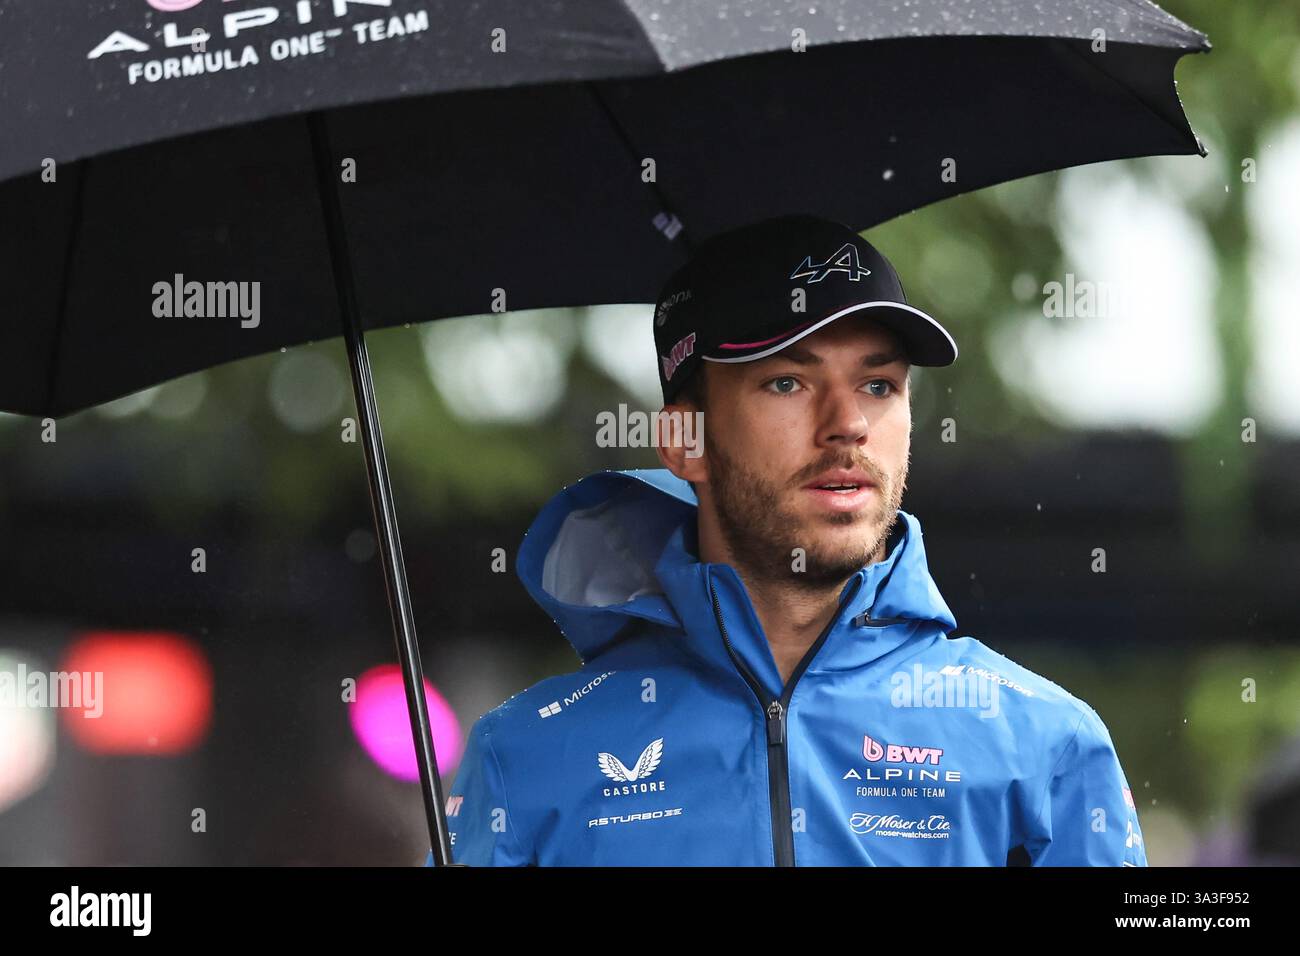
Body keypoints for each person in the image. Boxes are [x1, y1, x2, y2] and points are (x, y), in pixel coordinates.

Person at [426, 213, 1147, 866]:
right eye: (786, 384)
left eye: (878, 386)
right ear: (683, 440)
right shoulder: (523, 757)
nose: (846, 424)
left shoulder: (1044, 743)